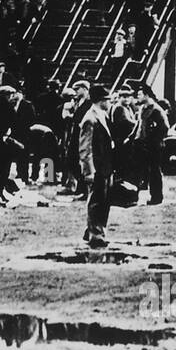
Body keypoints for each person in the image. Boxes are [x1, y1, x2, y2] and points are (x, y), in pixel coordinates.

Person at [78, 85, 116, 248]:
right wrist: (89, 171)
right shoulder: (90, 118)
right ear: (102, 101)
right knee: (96, 200)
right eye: (108, 100)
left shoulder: (100, 115)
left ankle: (93, 230)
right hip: (98, 168)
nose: (110, 103)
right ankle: (96, 234)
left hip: (105, 166)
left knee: (103, 199)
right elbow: (85, 148)